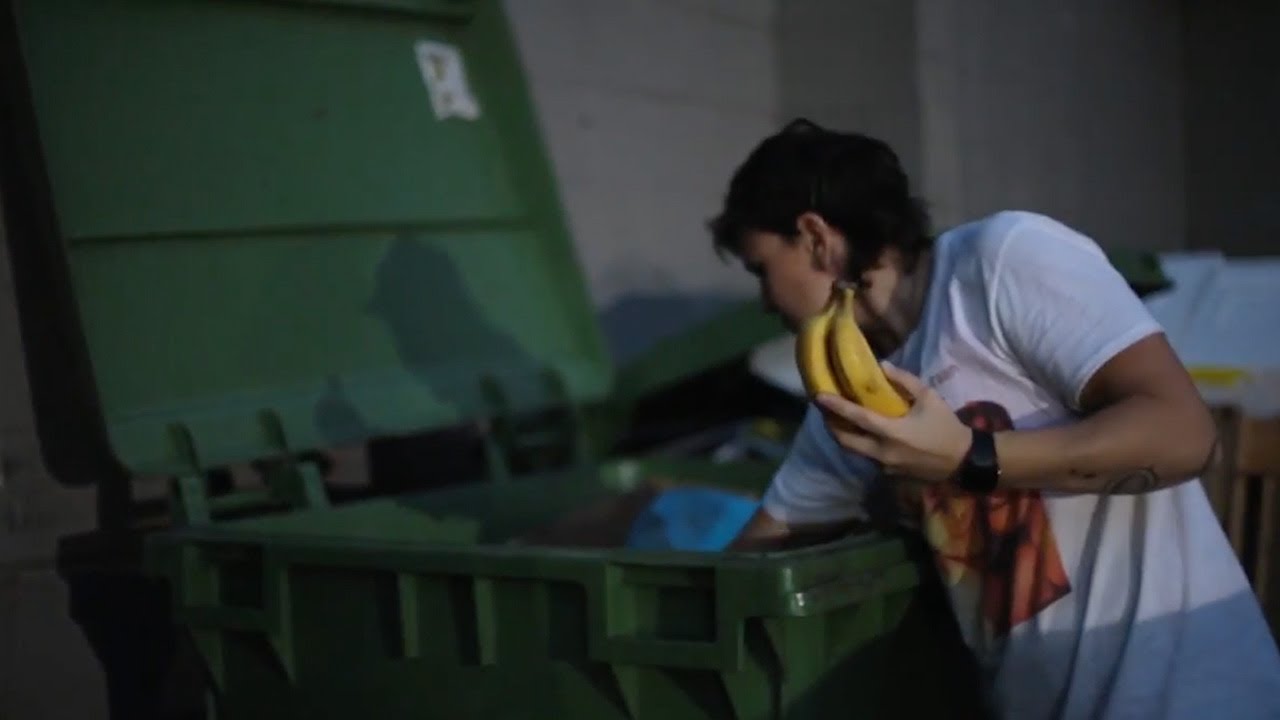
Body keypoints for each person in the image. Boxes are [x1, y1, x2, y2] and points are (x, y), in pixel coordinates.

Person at [711, 118, 1280, 719]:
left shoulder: (1001, 263)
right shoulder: (848, 405)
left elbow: (1185, 434)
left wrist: (971, 457)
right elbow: (754, 553)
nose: (766, 300)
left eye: (761, 269)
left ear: (815, 236)